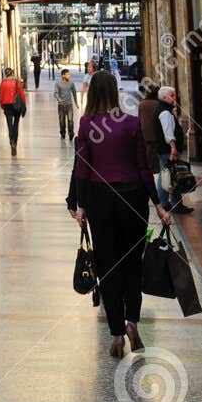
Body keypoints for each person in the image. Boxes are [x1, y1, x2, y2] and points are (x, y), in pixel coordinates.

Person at [68, 69, 171, 359]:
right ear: (115, 92)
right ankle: (131, 322)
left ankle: (115, 333)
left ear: (92, 93)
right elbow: (143, 167)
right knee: (132, 264)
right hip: (133, 198)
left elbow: (83, 168)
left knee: (109, 267)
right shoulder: (131, 123)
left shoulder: (87, 124)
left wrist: (81, 204)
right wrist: (158, 203)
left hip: (101, 199)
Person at [155, 84, 193, 215]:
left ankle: (169, 203)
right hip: (168, 150)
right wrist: (173, 148)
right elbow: (168, 133)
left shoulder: (164, 109)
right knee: (171, 176)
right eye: (172, 96)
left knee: (168, 175)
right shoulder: (165, 112)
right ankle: (170, 204)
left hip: (165, 149)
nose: (174, 98)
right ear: (164, 97)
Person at [0, 65, 27, 155]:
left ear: (5, 74)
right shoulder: (17, 82)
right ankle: (15, 143)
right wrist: (24, 105)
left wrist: (2, 106)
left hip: (7, 106)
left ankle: (11, 142)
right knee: (16, 125)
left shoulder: (3, 83)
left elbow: (1, 96)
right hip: (17, 105)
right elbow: (22, 94)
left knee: (9, 125)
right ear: (12, 73)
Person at [54, 67, 78, 141]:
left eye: (69, 74)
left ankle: (71, 134)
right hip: (61, 106)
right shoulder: (58, 84)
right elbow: (55, 93)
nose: (69, 76)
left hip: (69, 105)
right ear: (63, 75)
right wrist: (58, 99)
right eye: (67, 74)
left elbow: (74, 93)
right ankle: (63, 133)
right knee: (62, 121)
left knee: (70, 121)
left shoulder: (71, 83)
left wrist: (76, 103)